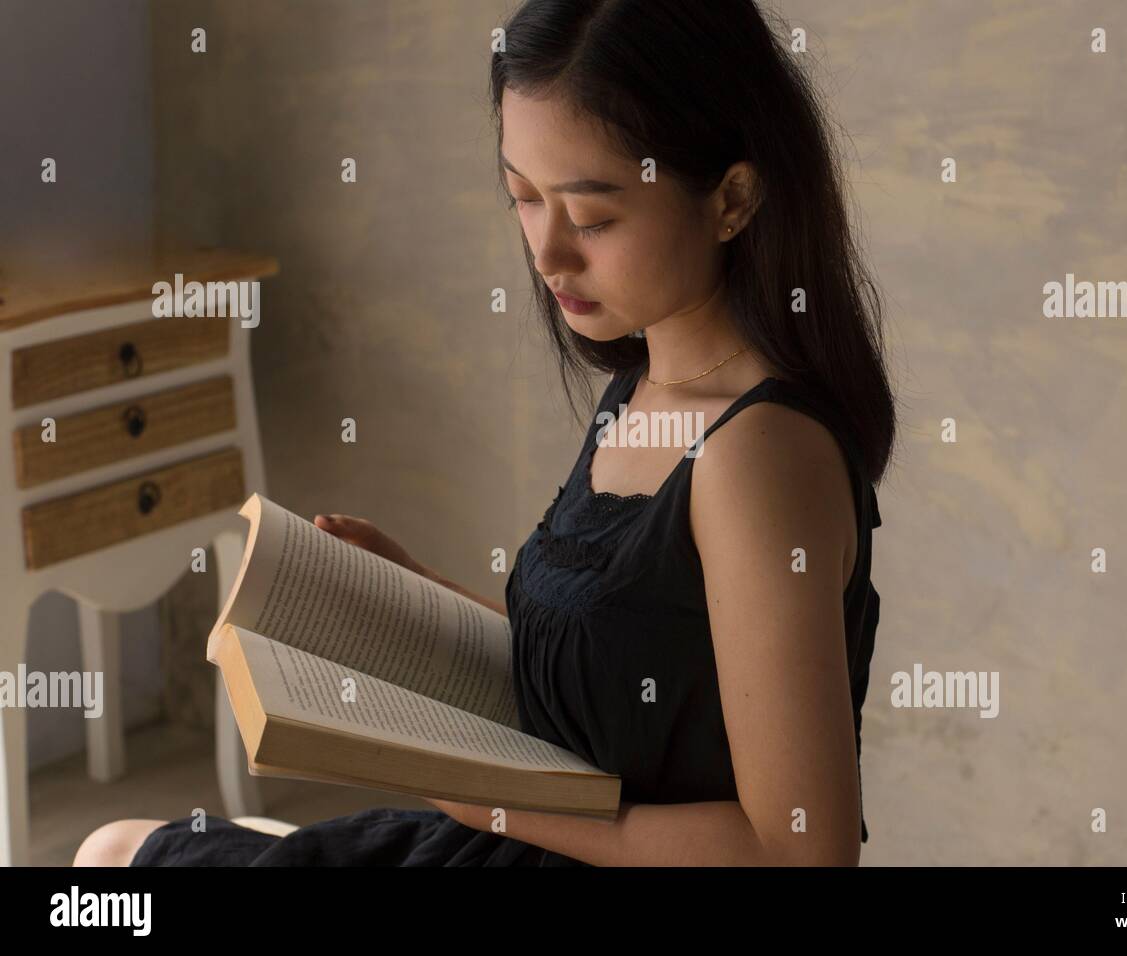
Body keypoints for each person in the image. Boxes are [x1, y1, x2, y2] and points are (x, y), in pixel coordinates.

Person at [75, 0, 896, 867]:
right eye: (522, 197)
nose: (546, 254)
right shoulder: (640, 386)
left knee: (111, 871)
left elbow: (798, 855)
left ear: (731, 198)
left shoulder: (759, 457)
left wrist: (491, 805)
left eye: (592, 216)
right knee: (112, 855)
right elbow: (621, 675)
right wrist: (411, 599)